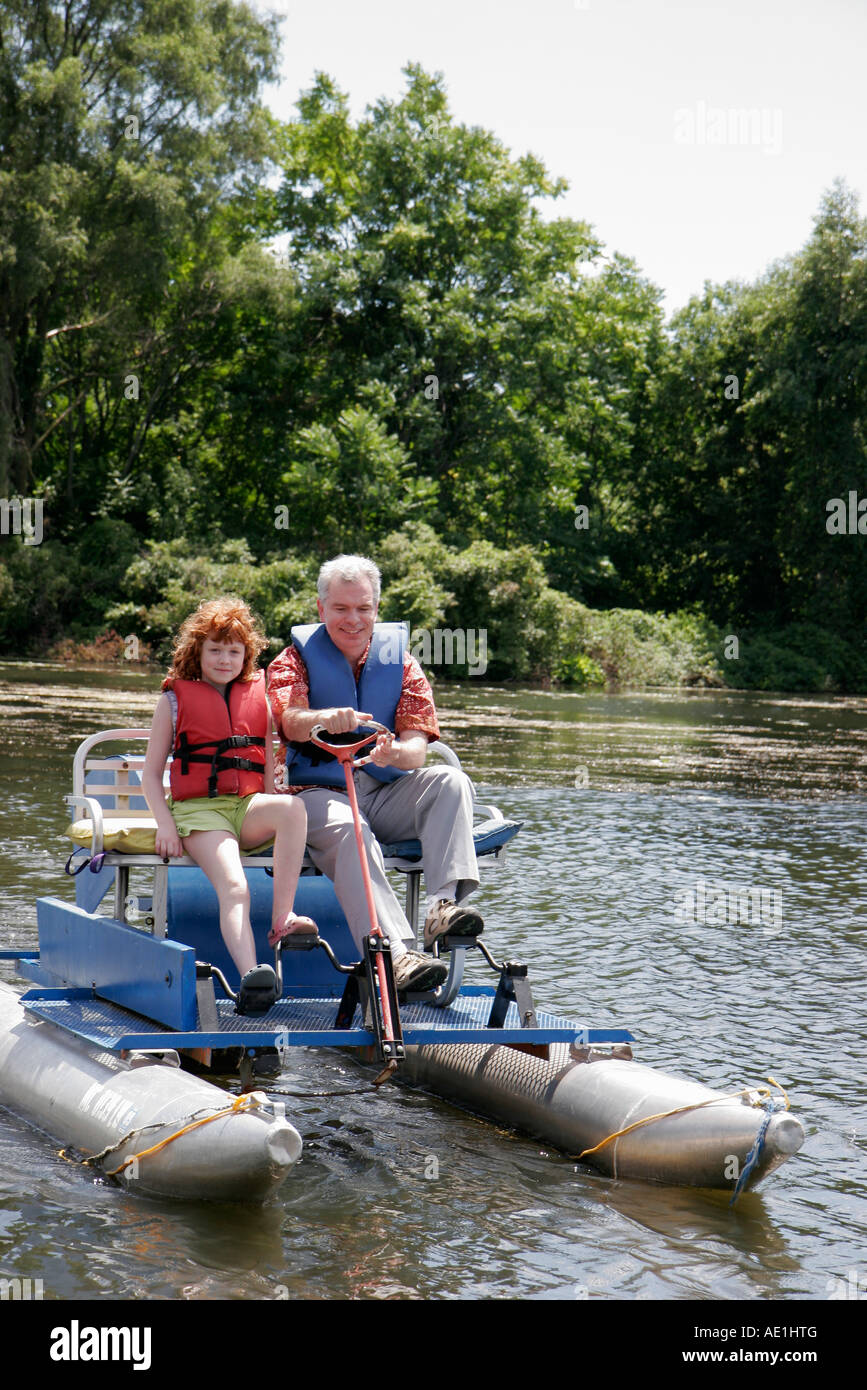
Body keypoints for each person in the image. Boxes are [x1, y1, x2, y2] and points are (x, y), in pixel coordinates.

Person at [267, 555, 484, 994]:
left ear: (376, 609)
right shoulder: (292, 661)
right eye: (342, 609)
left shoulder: (400, 663)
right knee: (352, 829)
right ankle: (396, 953)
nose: (353, 619)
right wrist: (325, 718)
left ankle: (441, 908)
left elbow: (418, 749)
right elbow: (289, 720)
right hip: (315, 790)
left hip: (382, 789)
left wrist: (394, 752)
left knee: (452, 782)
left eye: (363, 609)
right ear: (320, 608)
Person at [142, 597, 316, 1015]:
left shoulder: (259, 697)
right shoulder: (173, 702)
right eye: (215, 649)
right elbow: (150, 776)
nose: (224, 659)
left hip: (247, 805)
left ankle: (283, 919)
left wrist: (278, 799)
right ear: (196, 652)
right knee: (235, 886)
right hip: (200, 813)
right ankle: (253, 976)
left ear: (246, 656)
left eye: (234, 651)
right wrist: (165, 825)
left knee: (293, 810)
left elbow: (272, 768)